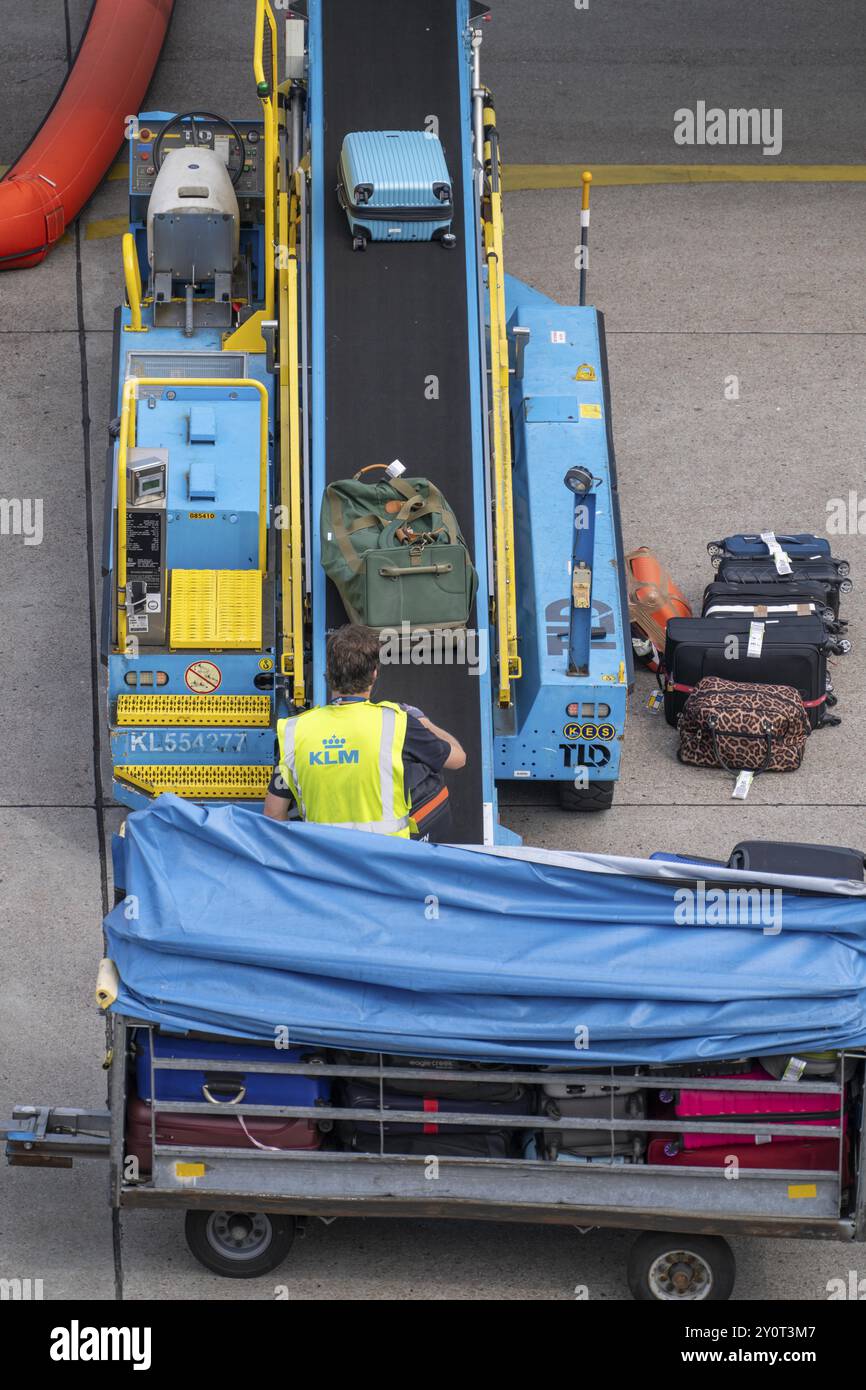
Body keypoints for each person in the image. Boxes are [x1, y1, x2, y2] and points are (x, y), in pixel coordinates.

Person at [263, 623, 465, 838]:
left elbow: (273, 813)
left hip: (325, 860)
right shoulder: (398, 723)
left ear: (328, 673)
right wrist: (424, 722)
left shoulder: (295, 731)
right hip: (387, 860)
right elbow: (458, 759)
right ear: (374, 673)